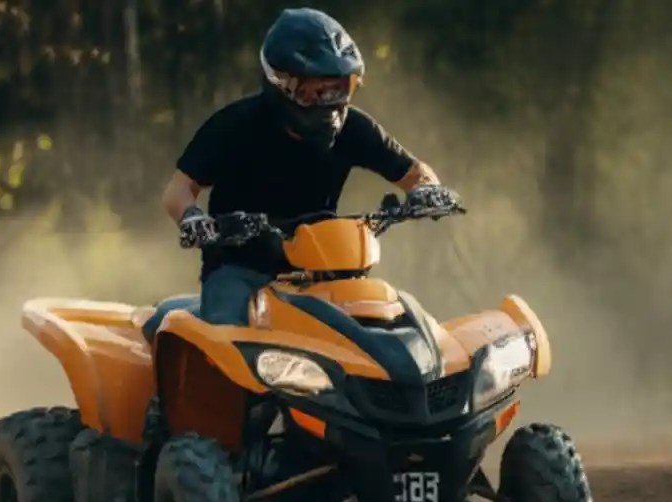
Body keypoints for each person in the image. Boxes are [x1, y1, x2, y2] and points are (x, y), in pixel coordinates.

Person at [157, 6, 459, 328]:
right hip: (240, 269)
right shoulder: (235, 125)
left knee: (391, 327)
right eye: (316, 91)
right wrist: (194, 219)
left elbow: (414, 173)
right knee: (227, 334)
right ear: (282, 83)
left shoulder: (355, 128)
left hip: (328, 269)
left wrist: (428, 190)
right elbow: (178, 191)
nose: (329, 102)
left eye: (339, 88)